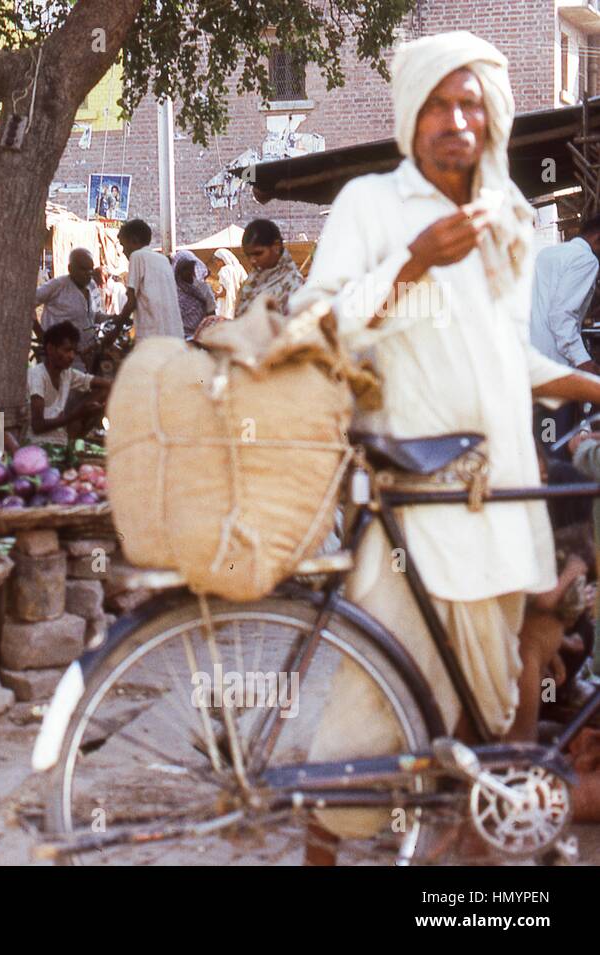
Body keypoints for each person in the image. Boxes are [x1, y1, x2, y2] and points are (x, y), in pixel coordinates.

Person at [287, 31, 600, 862]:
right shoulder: (370, 206)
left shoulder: (511, 217)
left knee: (490, 691)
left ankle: (468, 852)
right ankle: (325, 837)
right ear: (409, 115)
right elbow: (316, 327)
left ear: (491, 116)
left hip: (502, 489)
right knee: (379, 691)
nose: (457, 120)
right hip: (416, 491)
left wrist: (591, 387)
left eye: (471, 104)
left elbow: (507, 357)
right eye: (438, 104)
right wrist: (413, 264)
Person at [530, 216, 600, 452]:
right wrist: (583, 361)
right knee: (556, 444)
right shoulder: (586, 260)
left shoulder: (548, 254)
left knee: (541, 441)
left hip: (534, 361)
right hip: (556, 364)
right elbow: (562, 316)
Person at [28, 321, 111, 443]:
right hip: (38, 444)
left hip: (60, 441)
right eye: (67, 350)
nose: (72, 356)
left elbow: (105, 384)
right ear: (50, 349)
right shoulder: (37, 376)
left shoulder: (67, 374)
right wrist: (76, 415)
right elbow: (37, 426)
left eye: (74, 351)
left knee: (106, 391)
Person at [115, 219, 183, 339]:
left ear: (134, 241)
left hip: (152, 338)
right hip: (175, 335)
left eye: (123, 245)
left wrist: (114, 331)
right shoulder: (163, 260)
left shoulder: (137, 256)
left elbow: (131, 303)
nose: (123, 251)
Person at [34, 248, 100, 359]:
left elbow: (95, 315)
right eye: (83, 269)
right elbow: (27, 303)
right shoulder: (57, 285)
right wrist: (40, 333)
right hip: (59, 357)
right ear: (70, 268)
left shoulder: (92, 286)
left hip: (86, 355)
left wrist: (116, 318)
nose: (88, 274)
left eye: (90, 269)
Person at [234, 218, 305, 316]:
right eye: (248, 255)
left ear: (276, 246)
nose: (252, 260)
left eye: (258, 253)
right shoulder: (253, 279)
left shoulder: (293, 282)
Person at [173, 255, 217, 339]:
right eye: (185, 270)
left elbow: (211, 313)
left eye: (191, 269)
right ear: (178, 272)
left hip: (200, 335)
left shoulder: (203, 288)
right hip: (180, 335)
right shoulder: (174, 291)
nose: (188, 273)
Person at [213, 248, 249, 319]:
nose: (216, 264)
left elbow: (224, 292)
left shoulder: (224, 270)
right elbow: (245, 284)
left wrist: (215, 296)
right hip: (239, 302)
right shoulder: (239, 268)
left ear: (222, 259)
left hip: (226, 304)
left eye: (217, 261)